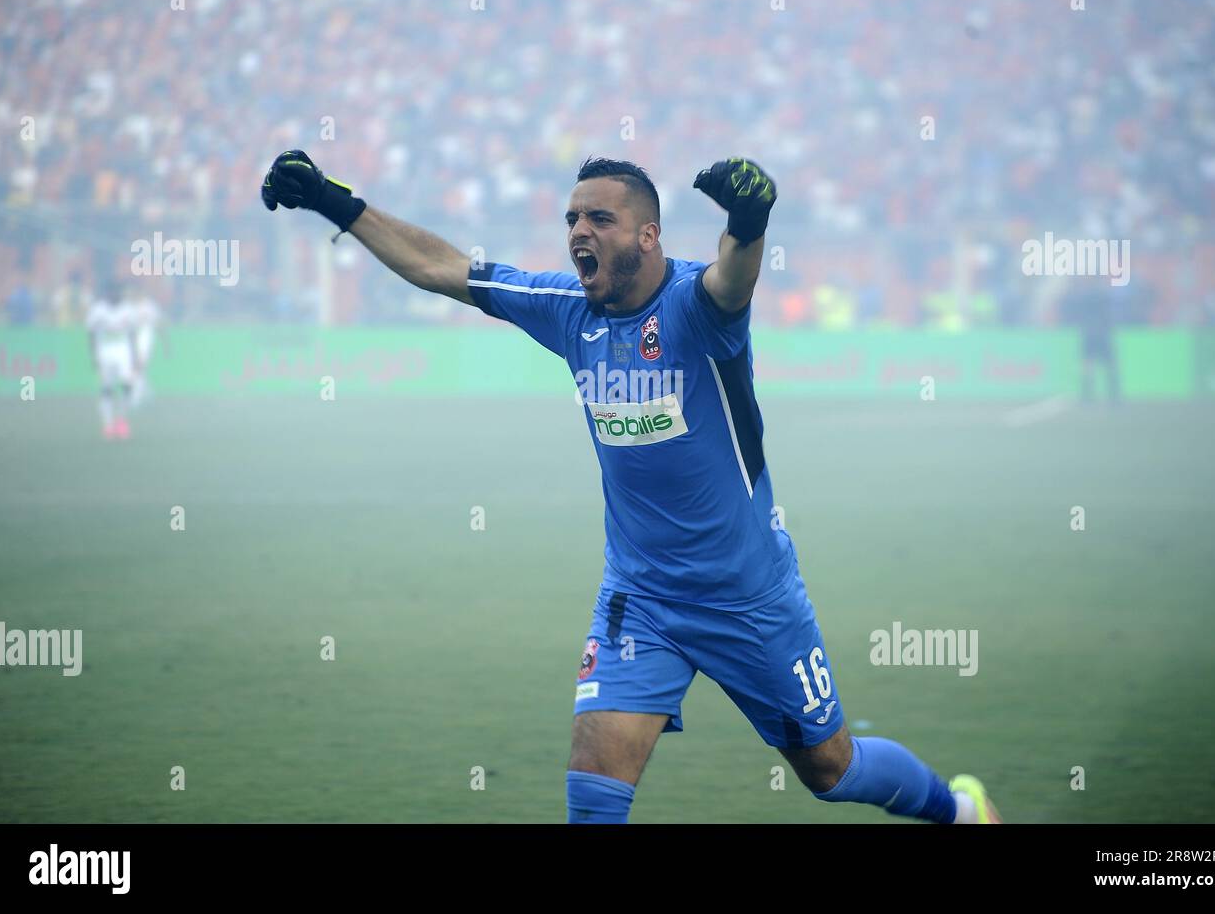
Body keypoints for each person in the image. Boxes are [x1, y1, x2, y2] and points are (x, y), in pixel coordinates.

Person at [261, 149, 1001, 824]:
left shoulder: (692, 308)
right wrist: (336, 202)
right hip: (640, 598)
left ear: (647, 236)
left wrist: (749, 221)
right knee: (593, 784)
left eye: (600, 218)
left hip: (750, 597)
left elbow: (731, 277)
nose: (579, 231)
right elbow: (443, 267)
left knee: (831, 768)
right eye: (572, 219)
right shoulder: (568, 313)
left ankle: (961, 812)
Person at [85, 281, 137, 439]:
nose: (114, 295)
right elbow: (91, 333)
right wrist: (94, 355)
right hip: (105, 352)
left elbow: (132, 333)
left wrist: (134, 355)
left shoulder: (128, 309)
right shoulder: (98, 310)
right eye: (111, 292)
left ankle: (121, 420)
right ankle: (108, 424)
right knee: (106, 388)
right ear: (106, 293)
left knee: (127, 385)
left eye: (117, 292)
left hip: (123, 352)